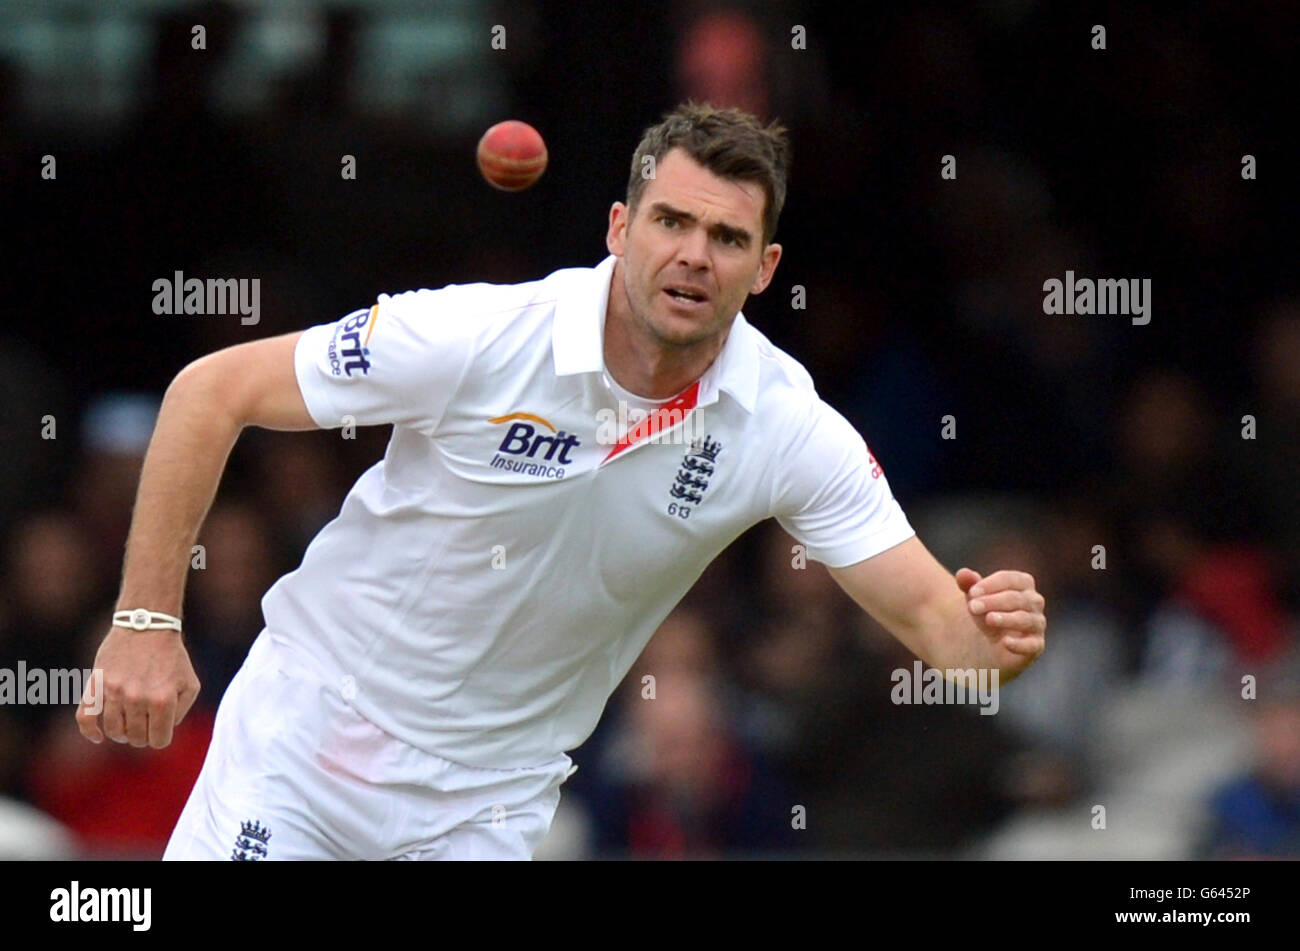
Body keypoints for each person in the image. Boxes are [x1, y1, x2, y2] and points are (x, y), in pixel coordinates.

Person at [76, 102, 1047, 860]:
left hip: (486, 805)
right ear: (620, 228)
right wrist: (148, 622)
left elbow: (942, 633)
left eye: (726, 239)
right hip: (306, 741)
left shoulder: (785, 425)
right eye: (670, 222)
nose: (692, 257)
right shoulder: (476, 335)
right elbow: (210, 391)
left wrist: (994, 643)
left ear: (764, 267)